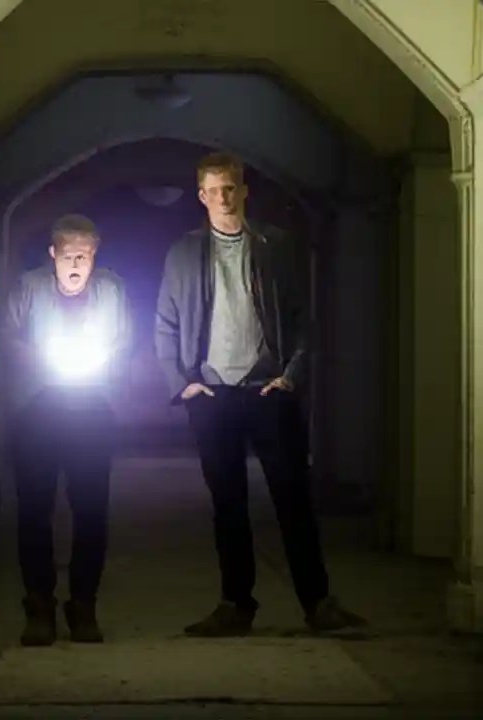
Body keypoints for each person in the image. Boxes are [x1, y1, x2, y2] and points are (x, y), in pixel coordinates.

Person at [154, 151, 367, 636]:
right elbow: (165, 321)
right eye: (214, 190)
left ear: (244, 190)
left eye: (230, 187)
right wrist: (182, 384)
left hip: (267, 389)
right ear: (202, 196)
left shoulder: (275, 245)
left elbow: (301, 318)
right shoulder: (183, 252)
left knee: (294, 500)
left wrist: (291, 375)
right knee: (227, 505)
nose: (223, 197)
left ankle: (318, 604)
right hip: (212, 394)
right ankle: (235, 605)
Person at [0, 213, 132, 646]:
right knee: (35, 510)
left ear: (95, 256)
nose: (76, 264)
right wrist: (37, 358)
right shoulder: (28, 288)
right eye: (69, 255)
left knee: (91, 511)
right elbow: (5, 337)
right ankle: (39, 606)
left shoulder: (111, 291)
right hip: (37, 408)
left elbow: (124, 341)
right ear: (52, 254)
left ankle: (83, 605)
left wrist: (105, 362)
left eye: (85, 256)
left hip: (92, 409)